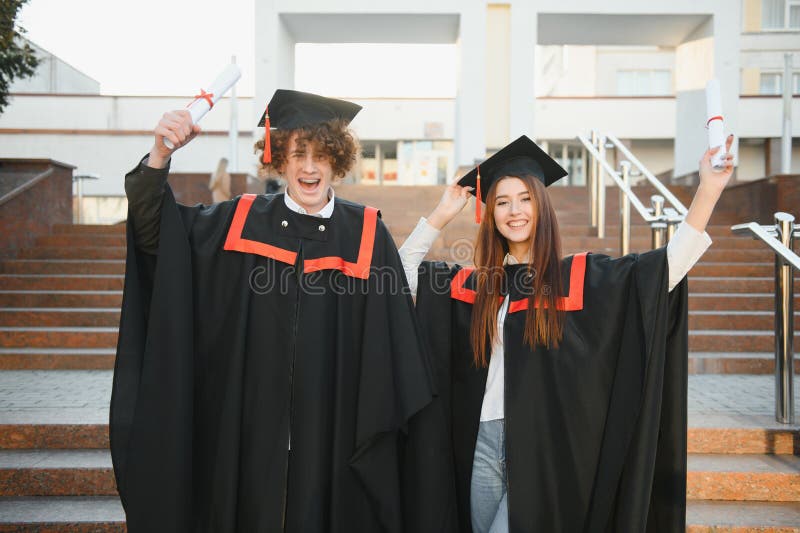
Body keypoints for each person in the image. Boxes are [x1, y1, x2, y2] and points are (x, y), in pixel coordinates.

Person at [111, 89, 456, 533]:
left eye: (321, 154)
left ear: (337, 160)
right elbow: (157, 234)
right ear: (278, 158)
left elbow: (394, 337)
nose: (309, 167)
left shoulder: (366, 233)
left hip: (335, 438)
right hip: (246, 432)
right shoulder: (240, 222)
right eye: (298, 153)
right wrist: (160, 155)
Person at [400, 134, 735, 532]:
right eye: (502, 202)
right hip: (481, 443)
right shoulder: (473, 285)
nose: (514, 211)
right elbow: (402, 279)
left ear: (542, 206)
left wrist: (708, 190)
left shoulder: (577, 278)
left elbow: (667, 269)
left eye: (525, 198)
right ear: (490, 215)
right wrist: (440, 215)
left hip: (545, 447)